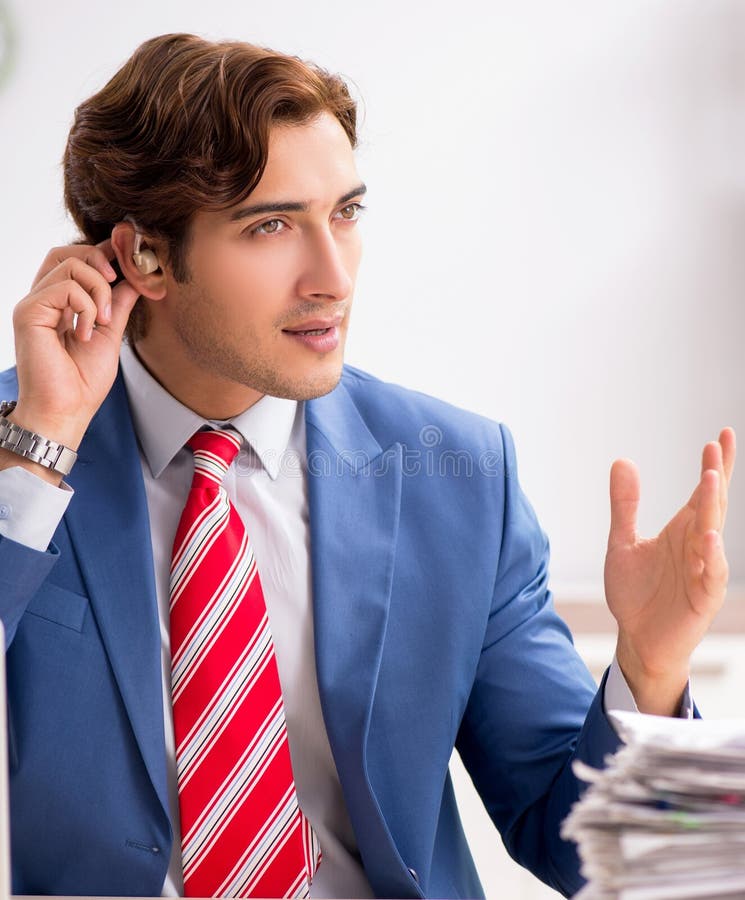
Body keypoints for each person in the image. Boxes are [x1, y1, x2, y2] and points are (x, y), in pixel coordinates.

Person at [0, 32, 735, 900]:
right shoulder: (22, 449)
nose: (333, 277)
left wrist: (650, 673)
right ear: (144, 257)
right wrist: (39, 451)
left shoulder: (457, 477)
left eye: (345, 213)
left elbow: (592, 852)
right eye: (271, 226)